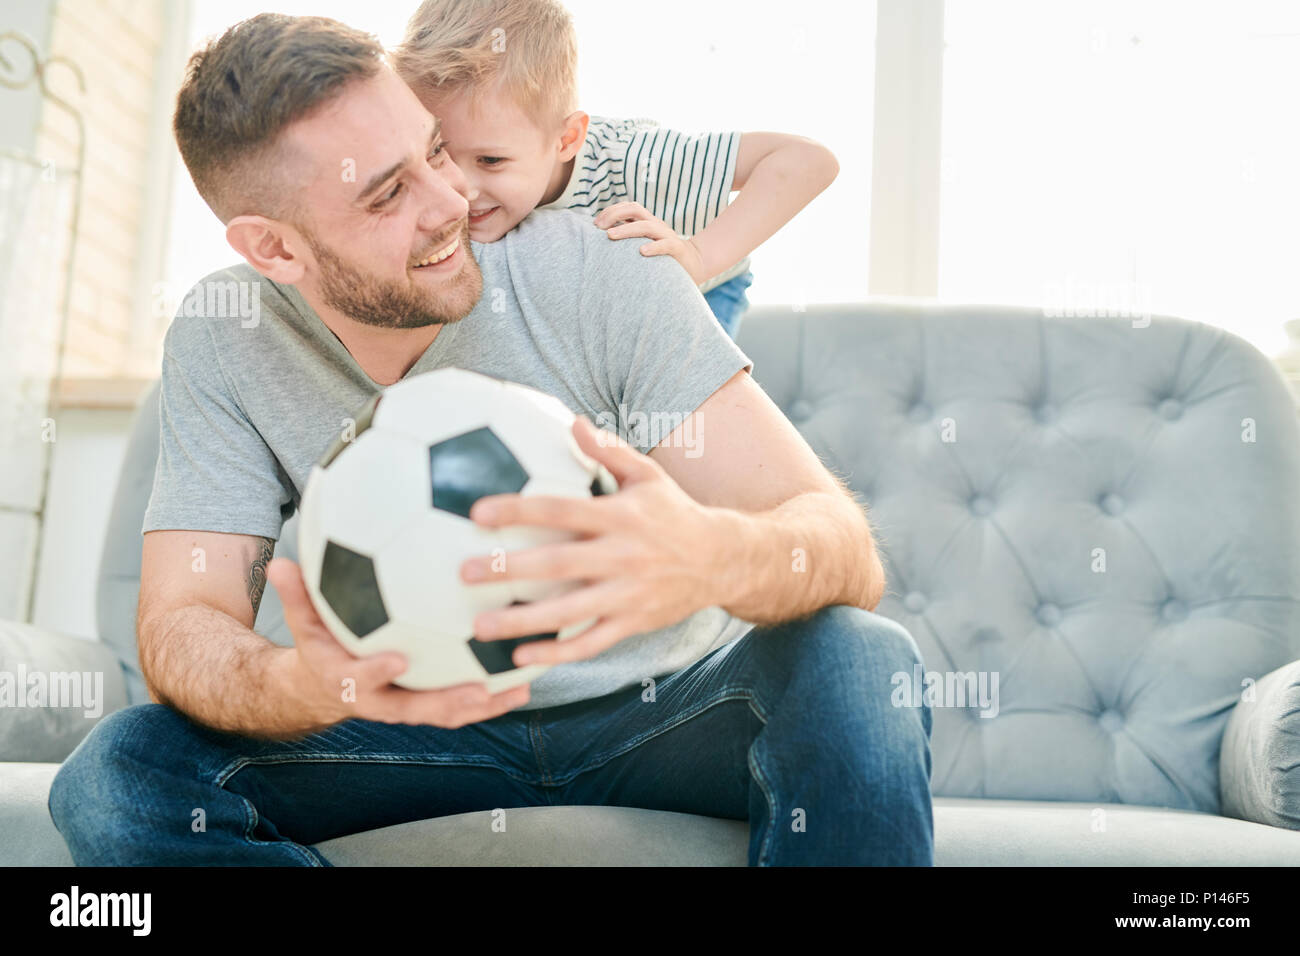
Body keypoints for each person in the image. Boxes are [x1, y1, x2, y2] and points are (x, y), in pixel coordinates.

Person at [47, 13, 933, 866]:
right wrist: (300, 688)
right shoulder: (223, 336)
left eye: (434, 149)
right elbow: (181, 623)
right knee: (117, 778)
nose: (451, 203)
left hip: (660, 716)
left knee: (862, 660)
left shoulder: (599, 266)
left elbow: (840, 546)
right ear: (274, 250)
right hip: (405, 726)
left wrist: (710, 555)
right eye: (388, 193)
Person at [390, 0, 839, 340]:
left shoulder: (638, 161)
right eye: (439, 152)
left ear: (566, 140)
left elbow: (807, 161)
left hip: (704, 288)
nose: (461, 189)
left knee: (675, 413)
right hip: (591, 297)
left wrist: (699, 259)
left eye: (491, 161)